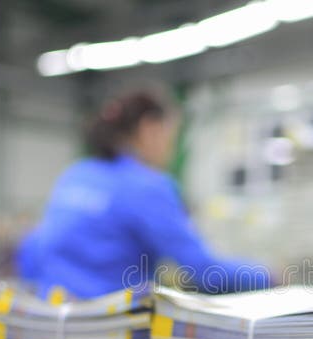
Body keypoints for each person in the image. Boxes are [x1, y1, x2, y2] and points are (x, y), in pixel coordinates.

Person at [36, 88, 270, 299]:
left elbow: (33, 252)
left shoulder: (76, 174)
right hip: (111, 328)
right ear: (149, 129)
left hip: (55, 321)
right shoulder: (147, 186)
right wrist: (268, 276)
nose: (170, 150)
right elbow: (202, 269)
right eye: (171, 138)